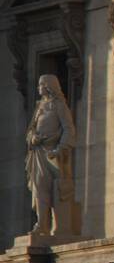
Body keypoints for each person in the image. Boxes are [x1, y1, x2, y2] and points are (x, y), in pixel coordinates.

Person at [25, 74, 76, 235]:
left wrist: (61, 148)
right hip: (39, 152)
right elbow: (31, 130)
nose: (38, 88)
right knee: (39, 187)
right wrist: (32, 138)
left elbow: (69, 128)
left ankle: (60, 227)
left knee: (58, 189)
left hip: (54, 154)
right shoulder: (39, 107)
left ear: (48, 86)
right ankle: (41, 225)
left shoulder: (59, 105)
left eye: (41, 84)